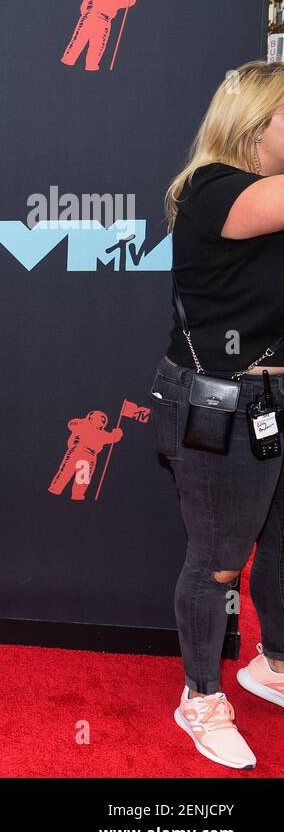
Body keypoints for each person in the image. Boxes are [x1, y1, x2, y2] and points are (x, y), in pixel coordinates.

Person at [150, 59, 284, 769]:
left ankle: (274, 663)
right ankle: (200, 695)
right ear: (258, 124)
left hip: (275, 400)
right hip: (217, 402)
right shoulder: (210, 188)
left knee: (282, 543)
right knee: (218, 563)